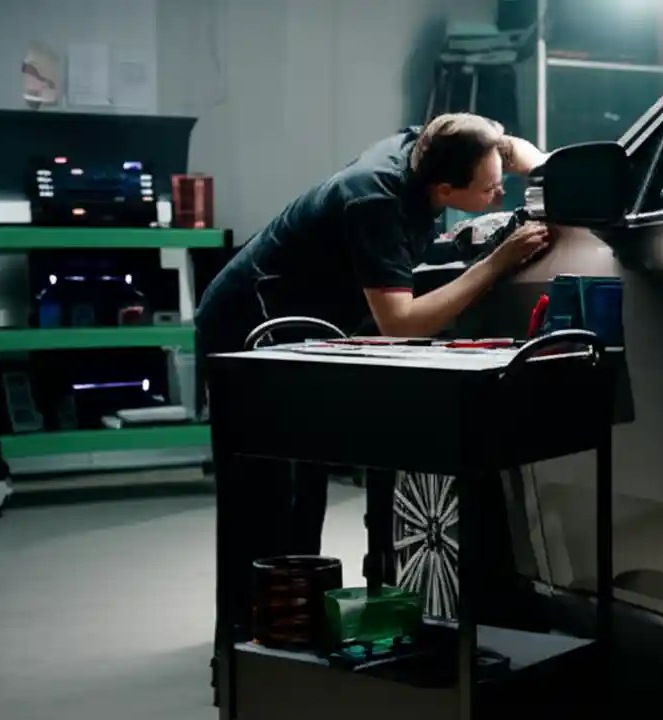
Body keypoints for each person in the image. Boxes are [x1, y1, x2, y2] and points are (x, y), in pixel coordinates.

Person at [196, 114, 551, 653]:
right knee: (264, 497)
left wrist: (542, 169)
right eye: (491, 188)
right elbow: (400, 322)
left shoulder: (437, 147)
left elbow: (507, 147)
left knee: (304, 485)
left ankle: (295, 627)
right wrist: (496, 263)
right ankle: (245, 653)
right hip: (249, 323)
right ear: (444, 190)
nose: (502, 190)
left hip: (311, 325)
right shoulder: (375, 199)